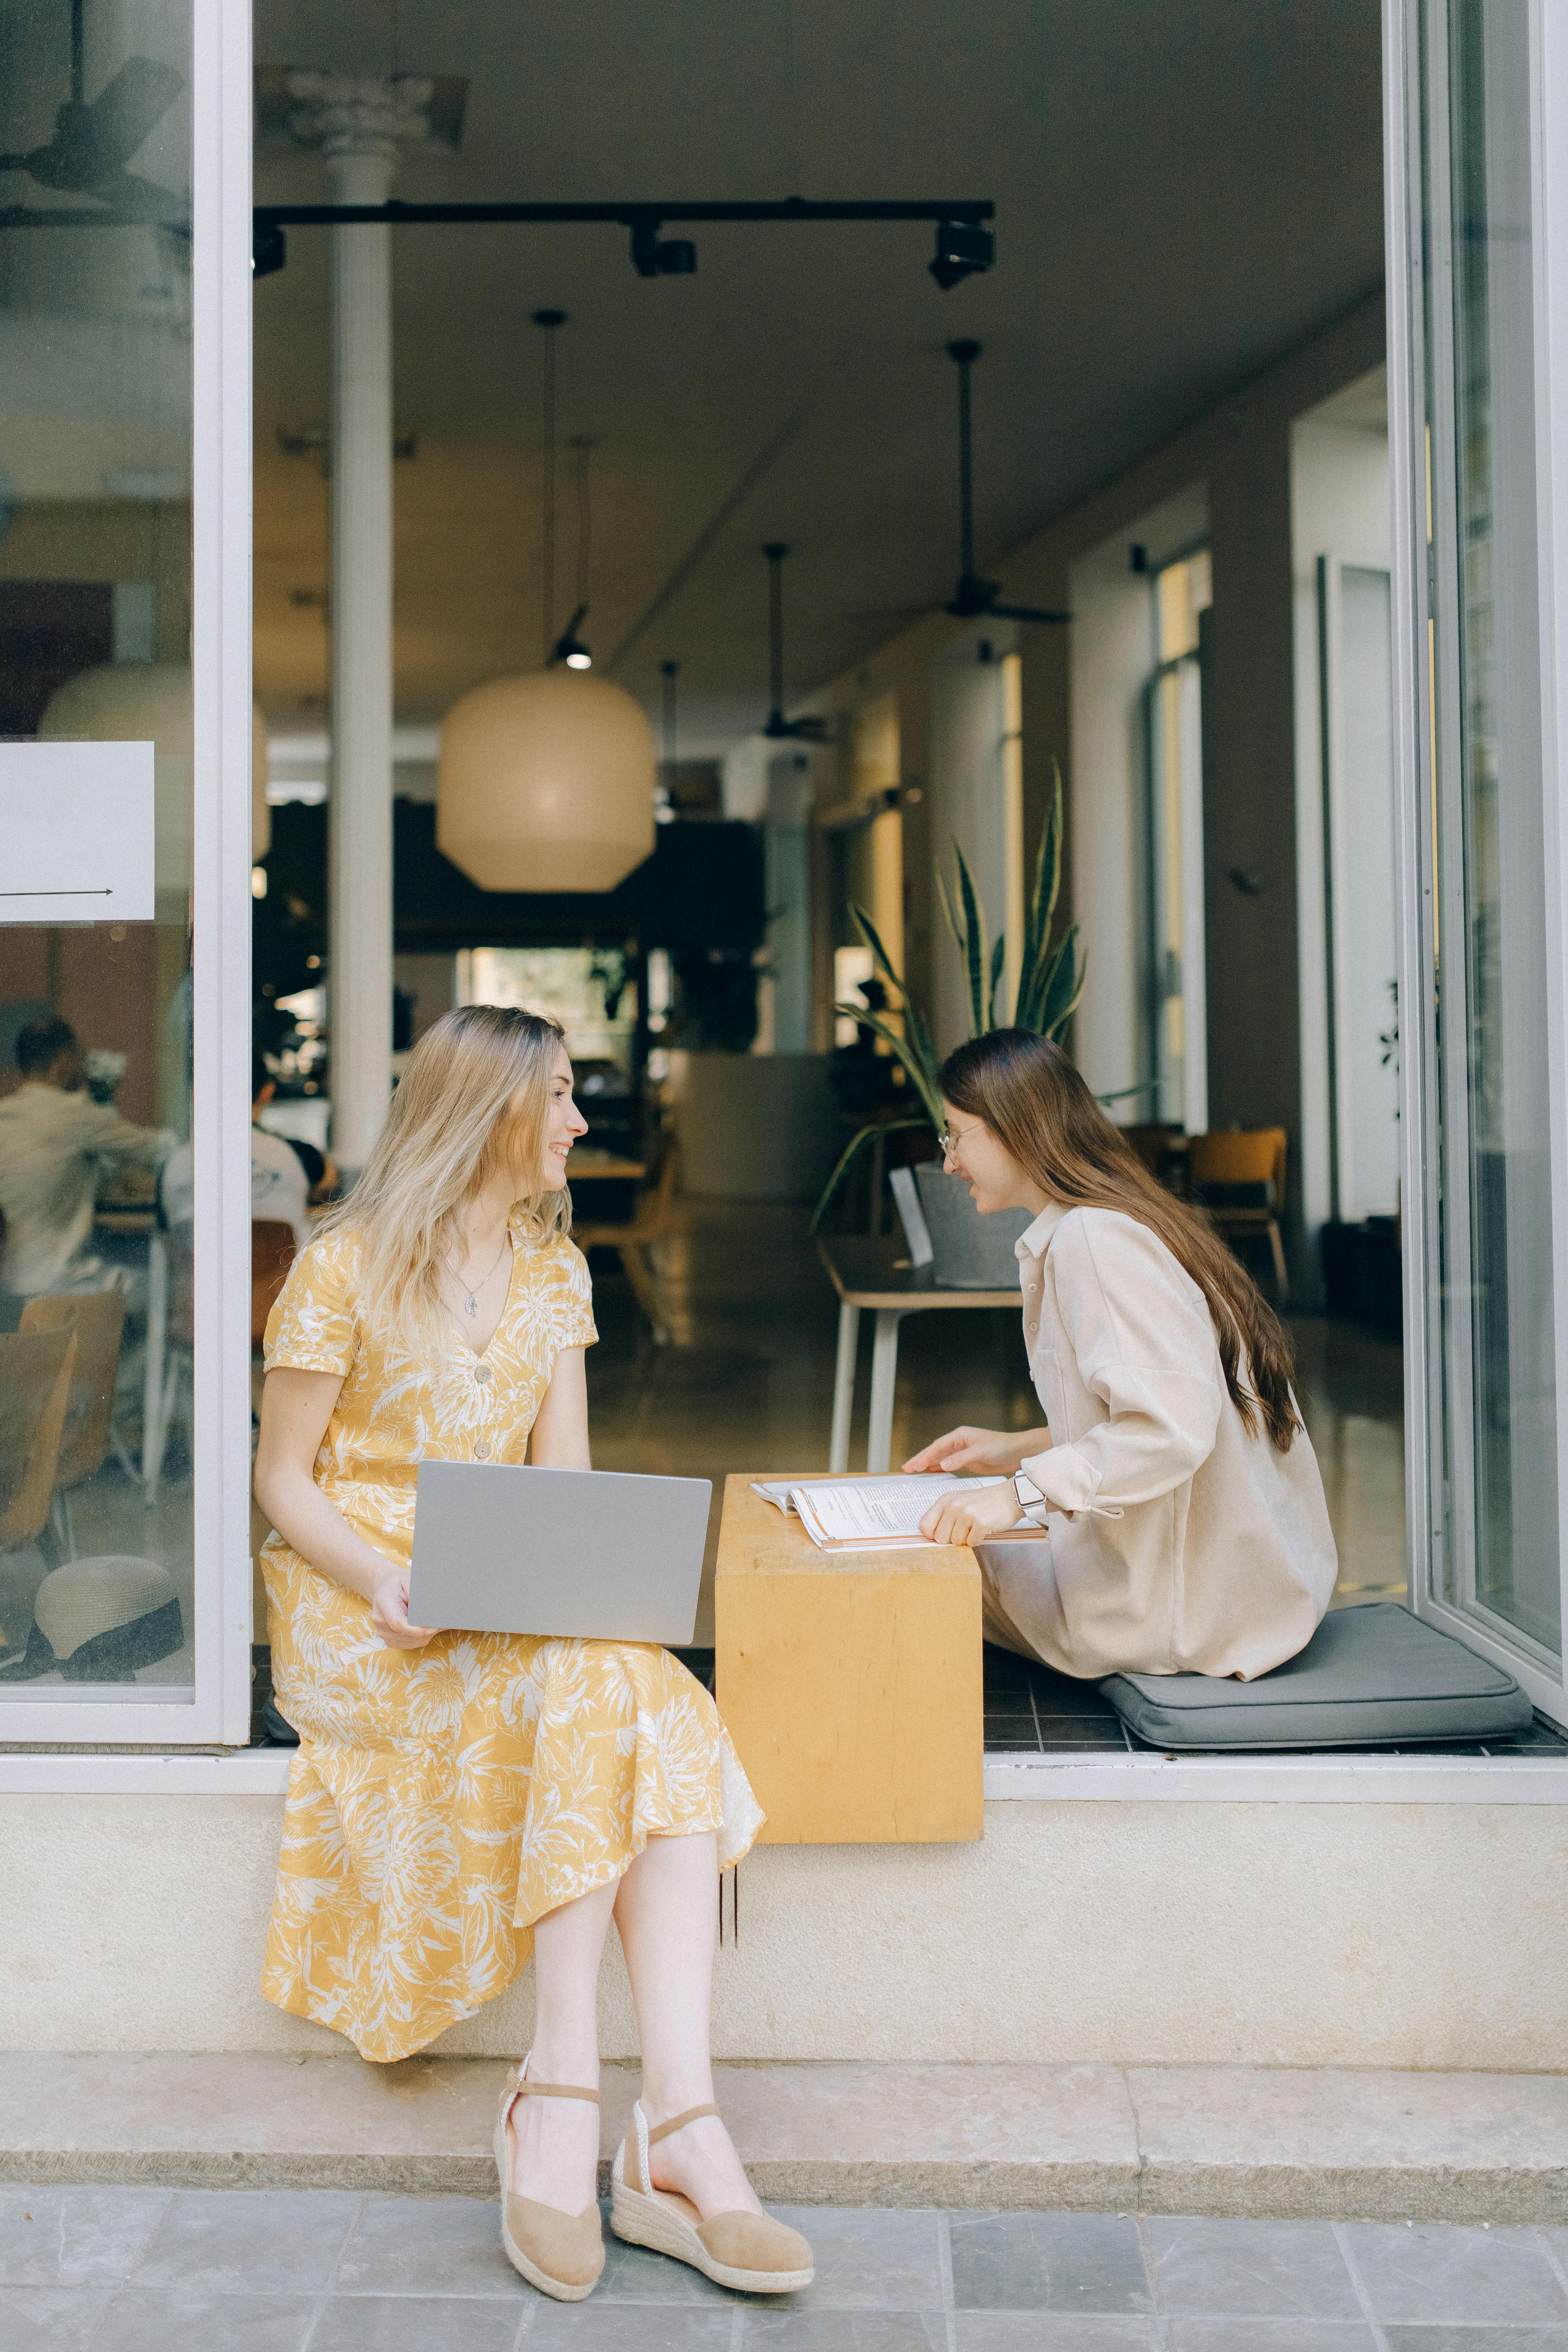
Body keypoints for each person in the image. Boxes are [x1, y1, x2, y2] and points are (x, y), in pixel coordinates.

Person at [250, 1004, 812, 2304]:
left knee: (627, 1683)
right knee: (615, 1690)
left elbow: (559, 1487)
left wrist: (568, 1579)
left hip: (491, 1586)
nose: (575, 1120)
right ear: (489, 1109)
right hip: (358, 1606)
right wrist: (384, 1577)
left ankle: (631, 2106)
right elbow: (281, 1478)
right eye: (556, 1097)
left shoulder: (555, 1271)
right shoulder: (340, 1266)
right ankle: (632, 2129)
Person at [903, 1029, 1336, 1681]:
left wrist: (1013, 1495)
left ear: (1015, 1130)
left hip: (1179, 1616)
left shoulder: (1093, 1240)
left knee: (912, 1561)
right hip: (1234, 1597)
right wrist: (1016, 1446)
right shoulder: (1114, 1218)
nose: (948, 1162)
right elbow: (1179, 1405)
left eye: (955, 1135)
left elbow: (1168, 1430)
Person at [0, 1014, 171, 1299]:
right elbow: (157, 1149)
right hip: (57, 1282)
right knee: (158, 1285)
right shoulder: (75, 1112)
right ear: (64, 1061)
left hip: (7, 1287)